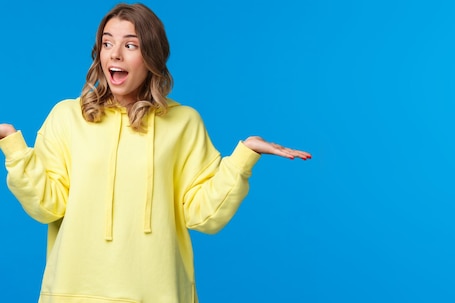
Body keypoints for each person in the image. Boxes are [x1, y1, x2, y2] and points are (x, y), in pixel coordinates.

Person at [0, 3, 311, 303]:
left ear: (151, 55)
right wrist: (13, 146)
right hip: (74, 292)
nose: (115, 54)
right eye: (107, 43)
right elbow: (47, 206)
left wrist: (243, 157)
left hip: (159, 294)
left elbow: (204, 215)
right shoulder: (67, 116)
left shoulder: (183, 122)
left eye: (130, 45)